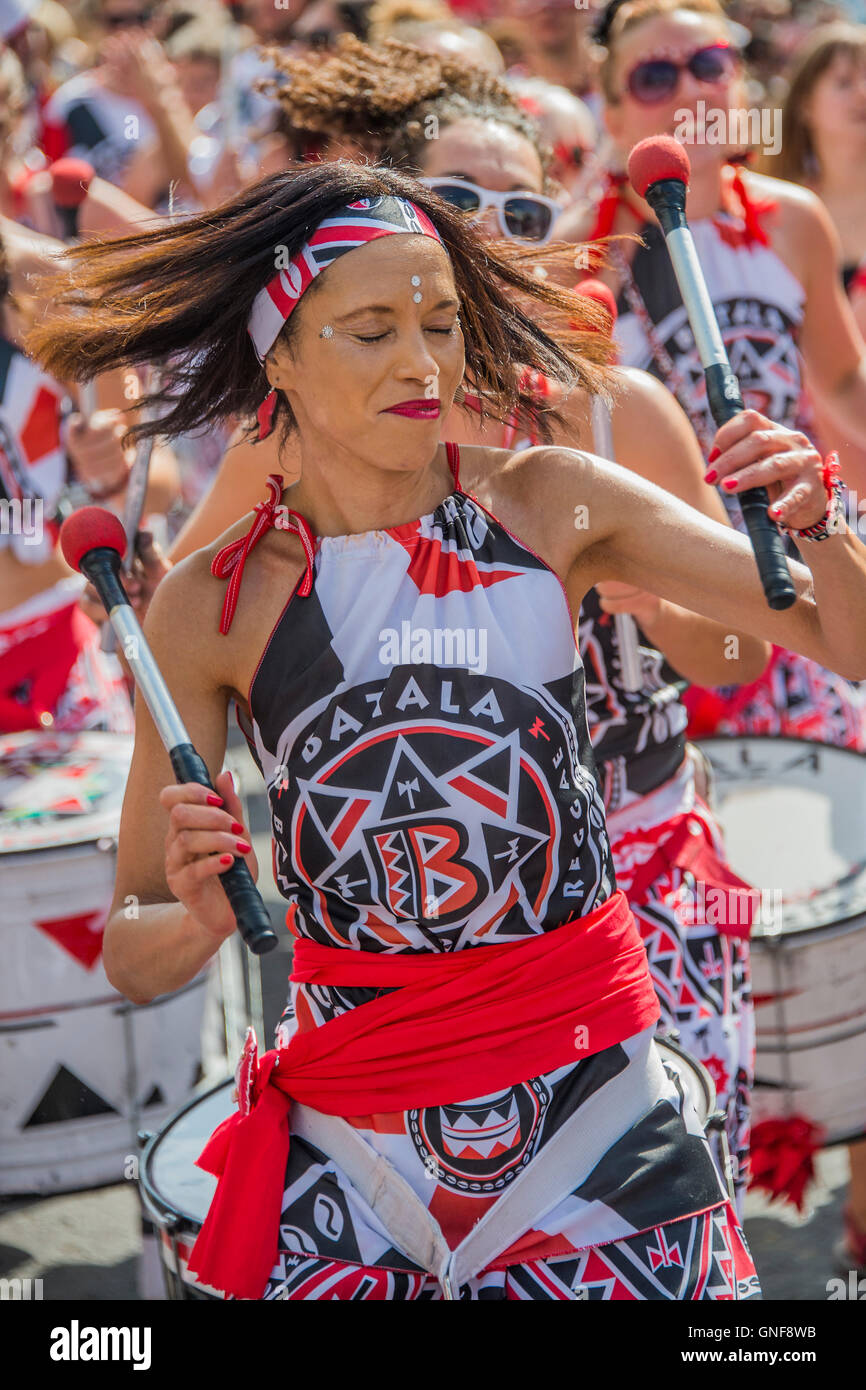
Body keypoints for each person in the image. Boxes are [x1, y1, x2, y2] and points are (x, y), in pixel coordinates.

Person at [28, 160, 866, 1301]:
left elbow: (841, 637)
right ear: (279, 353)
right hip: (352, 1140)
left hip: (593, 1109)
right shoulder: (209, 603)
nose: (421, 363)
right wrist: (200, 916)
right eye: (369, 329)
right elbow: (133, 938)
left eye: (438, 323)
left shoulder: (551, 501)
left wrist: (817, 516)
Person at [555, 0, 866, 753]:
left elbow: (844, 384)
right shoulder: (572, 260)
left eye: (710, 64)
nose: (693, 91)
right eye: (657, 75)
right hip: (668, 584)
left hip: (807, 545)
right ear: (617, 109)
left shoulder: (794, 220)